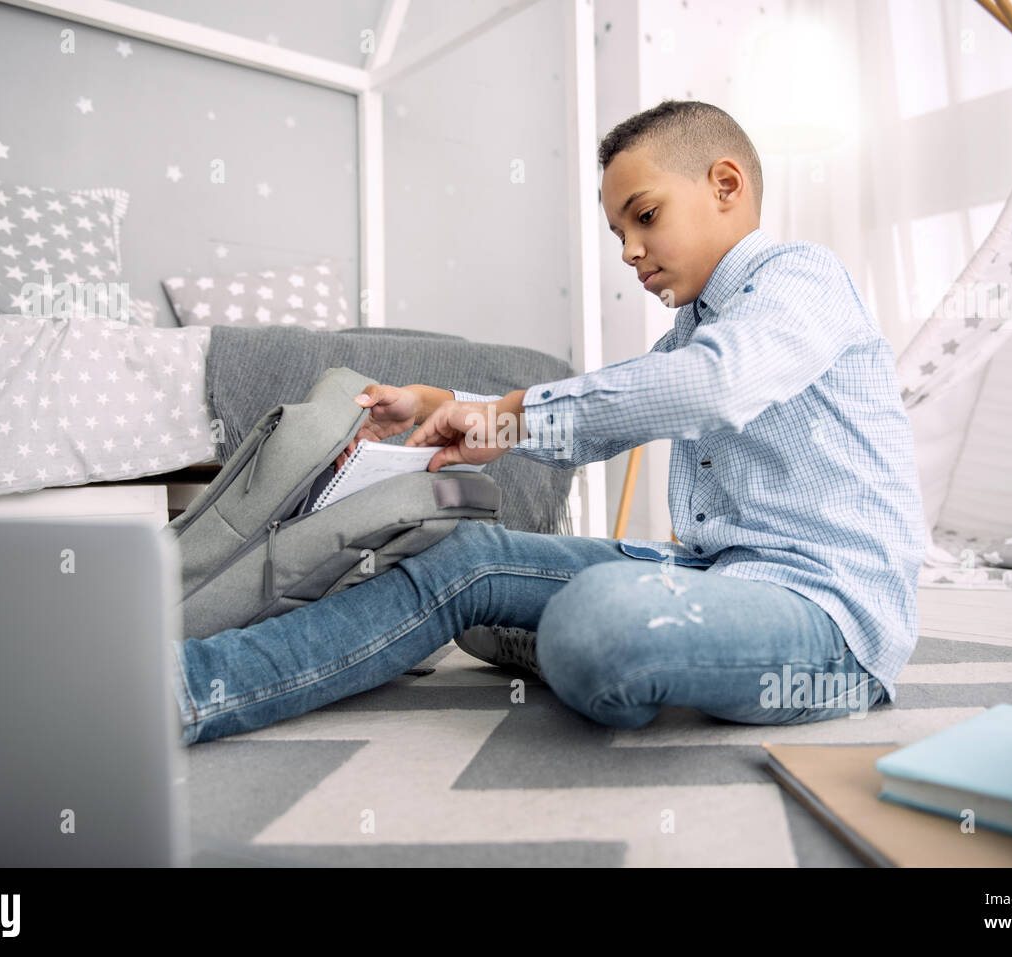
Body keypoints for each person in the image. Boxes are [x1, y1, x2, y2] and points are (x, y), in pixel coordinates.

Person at [170, 99, 926, 747]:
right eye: (618, 232)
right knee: (463, 556)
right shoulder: (694, 328)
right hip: (716, 573)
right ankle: (194, 686)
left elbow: (709, 386)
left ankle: (568, 634)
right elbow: (604, 419)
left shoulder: (803, 279)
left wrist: (508, 413)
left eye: (646, 216)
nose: (630, 251)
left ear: (726, 185)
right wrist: (452, 409)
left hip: (831, 624)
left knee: (599, 624)